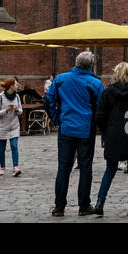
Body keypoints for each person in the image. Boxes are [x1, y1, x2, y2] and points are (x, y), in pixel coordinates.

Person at [45, 50, 105, 217]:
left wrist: (57, 119)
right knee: (85, 168)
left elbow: (48, 100)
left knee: (63, 169)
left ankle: (59, 207)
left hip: (66, 129)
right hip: (85, 130)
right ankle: (84, 205)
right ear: (91, 65)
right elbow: (100, 109)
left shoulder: (60, 79)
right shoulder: (95, 83)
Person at [93, 61, 128, 217]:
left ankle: (100, 202)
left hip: (113, 135)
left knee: (110, 170)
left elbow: (100, 116)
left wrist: (104, 132)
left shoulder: (108, 92)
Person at [0, 76, 23, 178]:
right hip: (2, 127)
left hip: (14, 126)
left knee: (14, 146)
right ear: (11, 86)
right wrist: (6, 110)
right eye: (15, 84)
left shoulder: (17, 97)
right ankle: (2, 167)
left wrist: (16, 109)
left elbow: (21, 111)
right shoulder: (0, 98)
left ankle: (16, 167)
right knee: (2, 148)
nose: (17, 85)